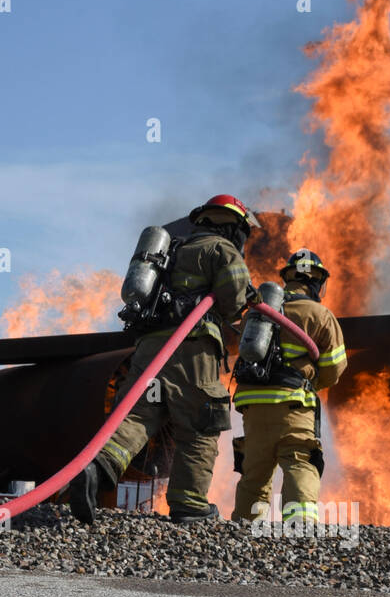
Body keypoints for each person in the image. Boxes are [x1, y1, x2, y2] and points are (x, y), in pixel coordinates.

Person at [70, 194, 259, 525]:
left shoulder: (171, 250)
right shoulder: (220, 249)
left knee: (138, 415)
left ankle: (95, 469)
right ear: (232, 226)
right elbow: (232, 301)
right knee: (200, 422)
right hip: (192, 347)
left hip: (150, 348)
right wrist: (247, 297)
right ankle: (189, 504)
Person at [232, 249, 346, 531]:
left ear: (287, 278)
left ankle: (245, 531)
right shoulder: (320, 315)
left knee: (254, 472)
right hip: (292, 404)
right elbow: (334, 369)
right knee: (300, 461)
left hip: (253, 408)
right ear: (318, 282)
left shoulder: (258, 314)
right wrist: (310, 380)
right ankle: (299, 529)